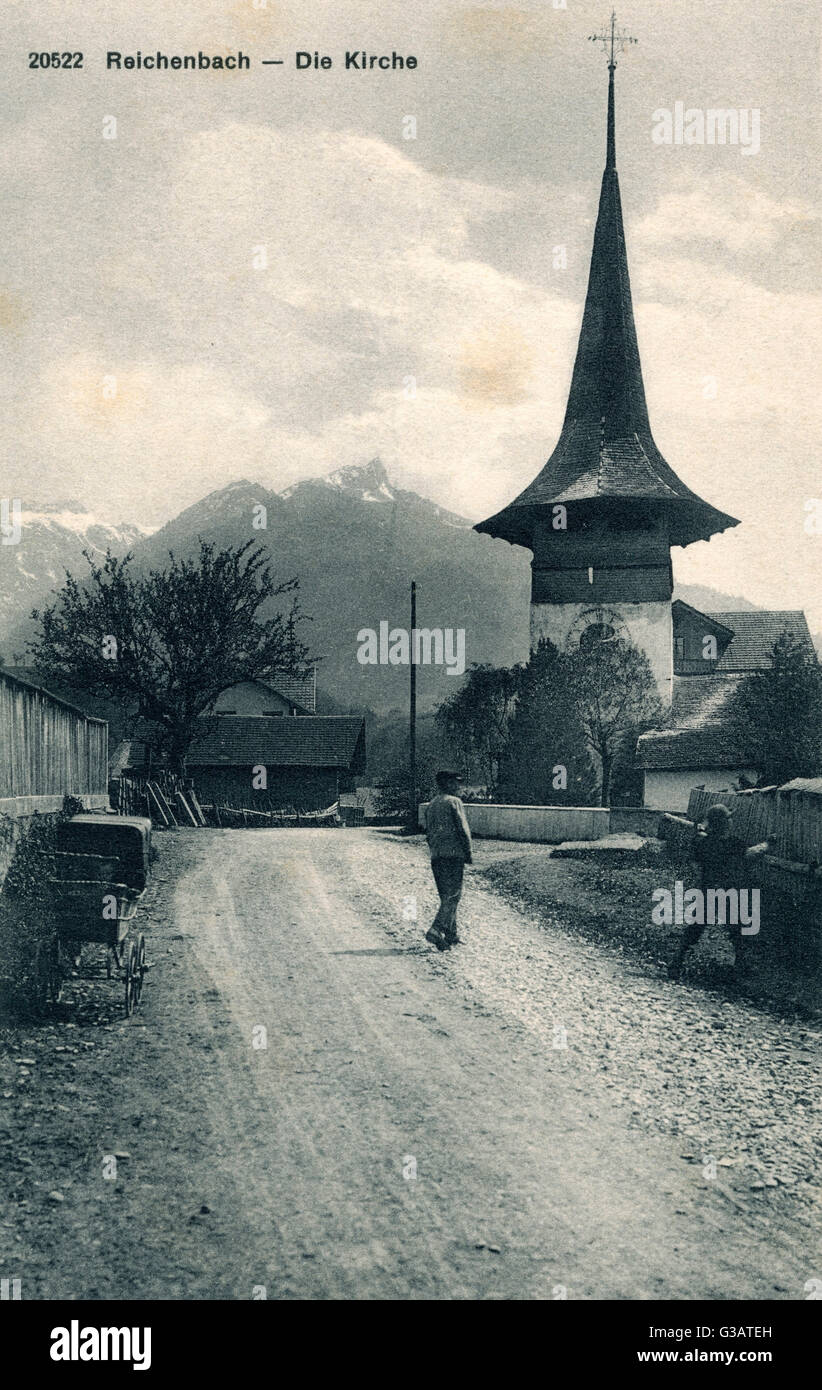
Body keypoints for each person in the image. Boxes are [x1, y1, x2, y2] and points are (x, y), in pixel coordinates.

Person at [668, 803, 751, 980]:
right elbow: (750, 854)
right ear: (724, 823)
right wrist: (768, 843)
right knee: (736, 928)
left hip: (707, 890)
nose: (731, 821)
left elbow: (696, 859)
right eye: (728, 819)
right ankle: (741, 965)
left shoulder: (703, 842)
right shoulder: (732, 844)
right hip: (726, 891)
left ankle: (677, 962)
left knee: (695, 928)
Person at [423, 770, 472, 951]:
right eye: (456, 783)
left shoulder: (432, 804)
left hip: (436, 856)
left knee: (446, 896)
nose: (458, 786)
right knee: (454, 896)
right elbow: (463, 830)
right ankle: (436, 929)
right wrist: (468, 852)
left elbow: (427, 833)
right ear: (449, 784)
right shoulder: (454, 802)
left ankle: (451, 934)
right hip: (453, 856)